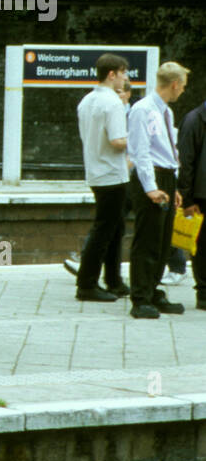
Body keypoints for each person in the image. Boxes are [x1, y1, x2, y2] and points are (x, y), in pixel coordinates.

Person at [127, 62, 190, 319]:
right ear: (174, 84)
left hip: (165, 176)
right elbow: (141, 151)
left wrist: (172, 183)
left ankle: (152, 291)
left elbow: (166, 149)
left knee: (163, 240)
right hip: (150, 177)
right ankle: (140, 297)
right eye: (183, 86)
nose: (183, 91)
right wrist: (151, 187)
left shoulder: (165, 111)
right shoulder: (142, 110)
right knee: (147, 240)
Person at [74, 54, 130, 302]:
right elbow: (118, 141)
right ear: (112, 74)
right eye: (124, 73)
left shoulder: (86, 101)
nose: (125, 78)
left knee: (114, 227)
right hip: (113, 173)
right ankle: (87, 284)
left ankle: (113, 280)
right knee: (105, 228)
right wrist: (139, 140)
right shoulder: (114, 103)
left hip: (96, 170)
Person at [177, 85, 206, 311]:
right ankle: (204, 293)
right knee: (202, 245)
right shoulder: (194, 120)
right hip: (201, 195)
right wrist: (187, 199)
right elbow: (185, 162)